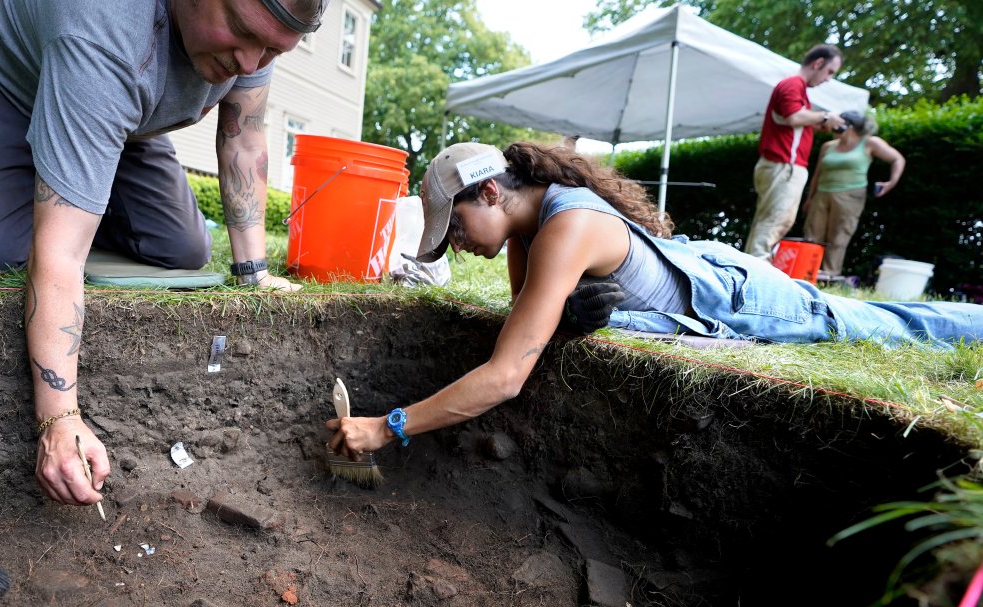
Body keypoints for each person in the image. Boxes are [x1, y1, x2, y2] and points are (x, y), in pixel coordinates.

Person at [325, 141, 982, 457]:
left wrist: (390, 426)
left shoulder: (565, 227)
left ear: (490, 193)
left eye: (456, 228)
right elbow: (530, 323)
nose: (458, 245)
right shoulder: (529, 231)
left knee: (884, 323)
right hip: (705, 270)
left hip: (739, 297)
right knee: (880, 319)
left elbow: (505, 376)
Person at [0, 0, 326, 507]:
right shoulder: (103, 28)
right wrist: (59, 418)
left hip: (120, 114)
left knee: (183, 248)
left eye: (272, 50)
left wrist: (253, 273)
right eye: (242, 34)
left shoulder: (256, 36)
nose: (250, 63)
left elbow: (244, 141)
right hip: (2, 83)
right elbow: (61, 255)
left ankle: (81, 173)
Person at [743, 45, 846, 261]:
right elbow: (793, 117)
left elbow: (792, 121)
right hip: (784, 166)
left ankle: (749, 269)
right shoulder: (793, 85)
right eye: (830, 72)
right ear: (817, 63)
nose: (828, 79)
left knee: (767, 222)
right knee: (776, 222)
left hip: (778, 166)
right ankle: (758, 274)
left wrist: (820, 124)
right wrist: (825, 117)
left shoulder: (796, 89)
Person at [802, 111, 905, 277]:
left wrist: (891, 182)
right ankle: (806, 272)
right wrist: (810, 198)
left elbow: (897, 159)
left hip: (850, 196)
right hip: (822, 194)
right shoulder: (828, 146)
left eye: (838, 123)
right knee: (813, 234)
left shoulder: (869, 143)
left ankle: (829, 274)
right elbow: (817, 174)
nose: (833, 126)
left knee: (839, 236)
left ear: (850, 126)